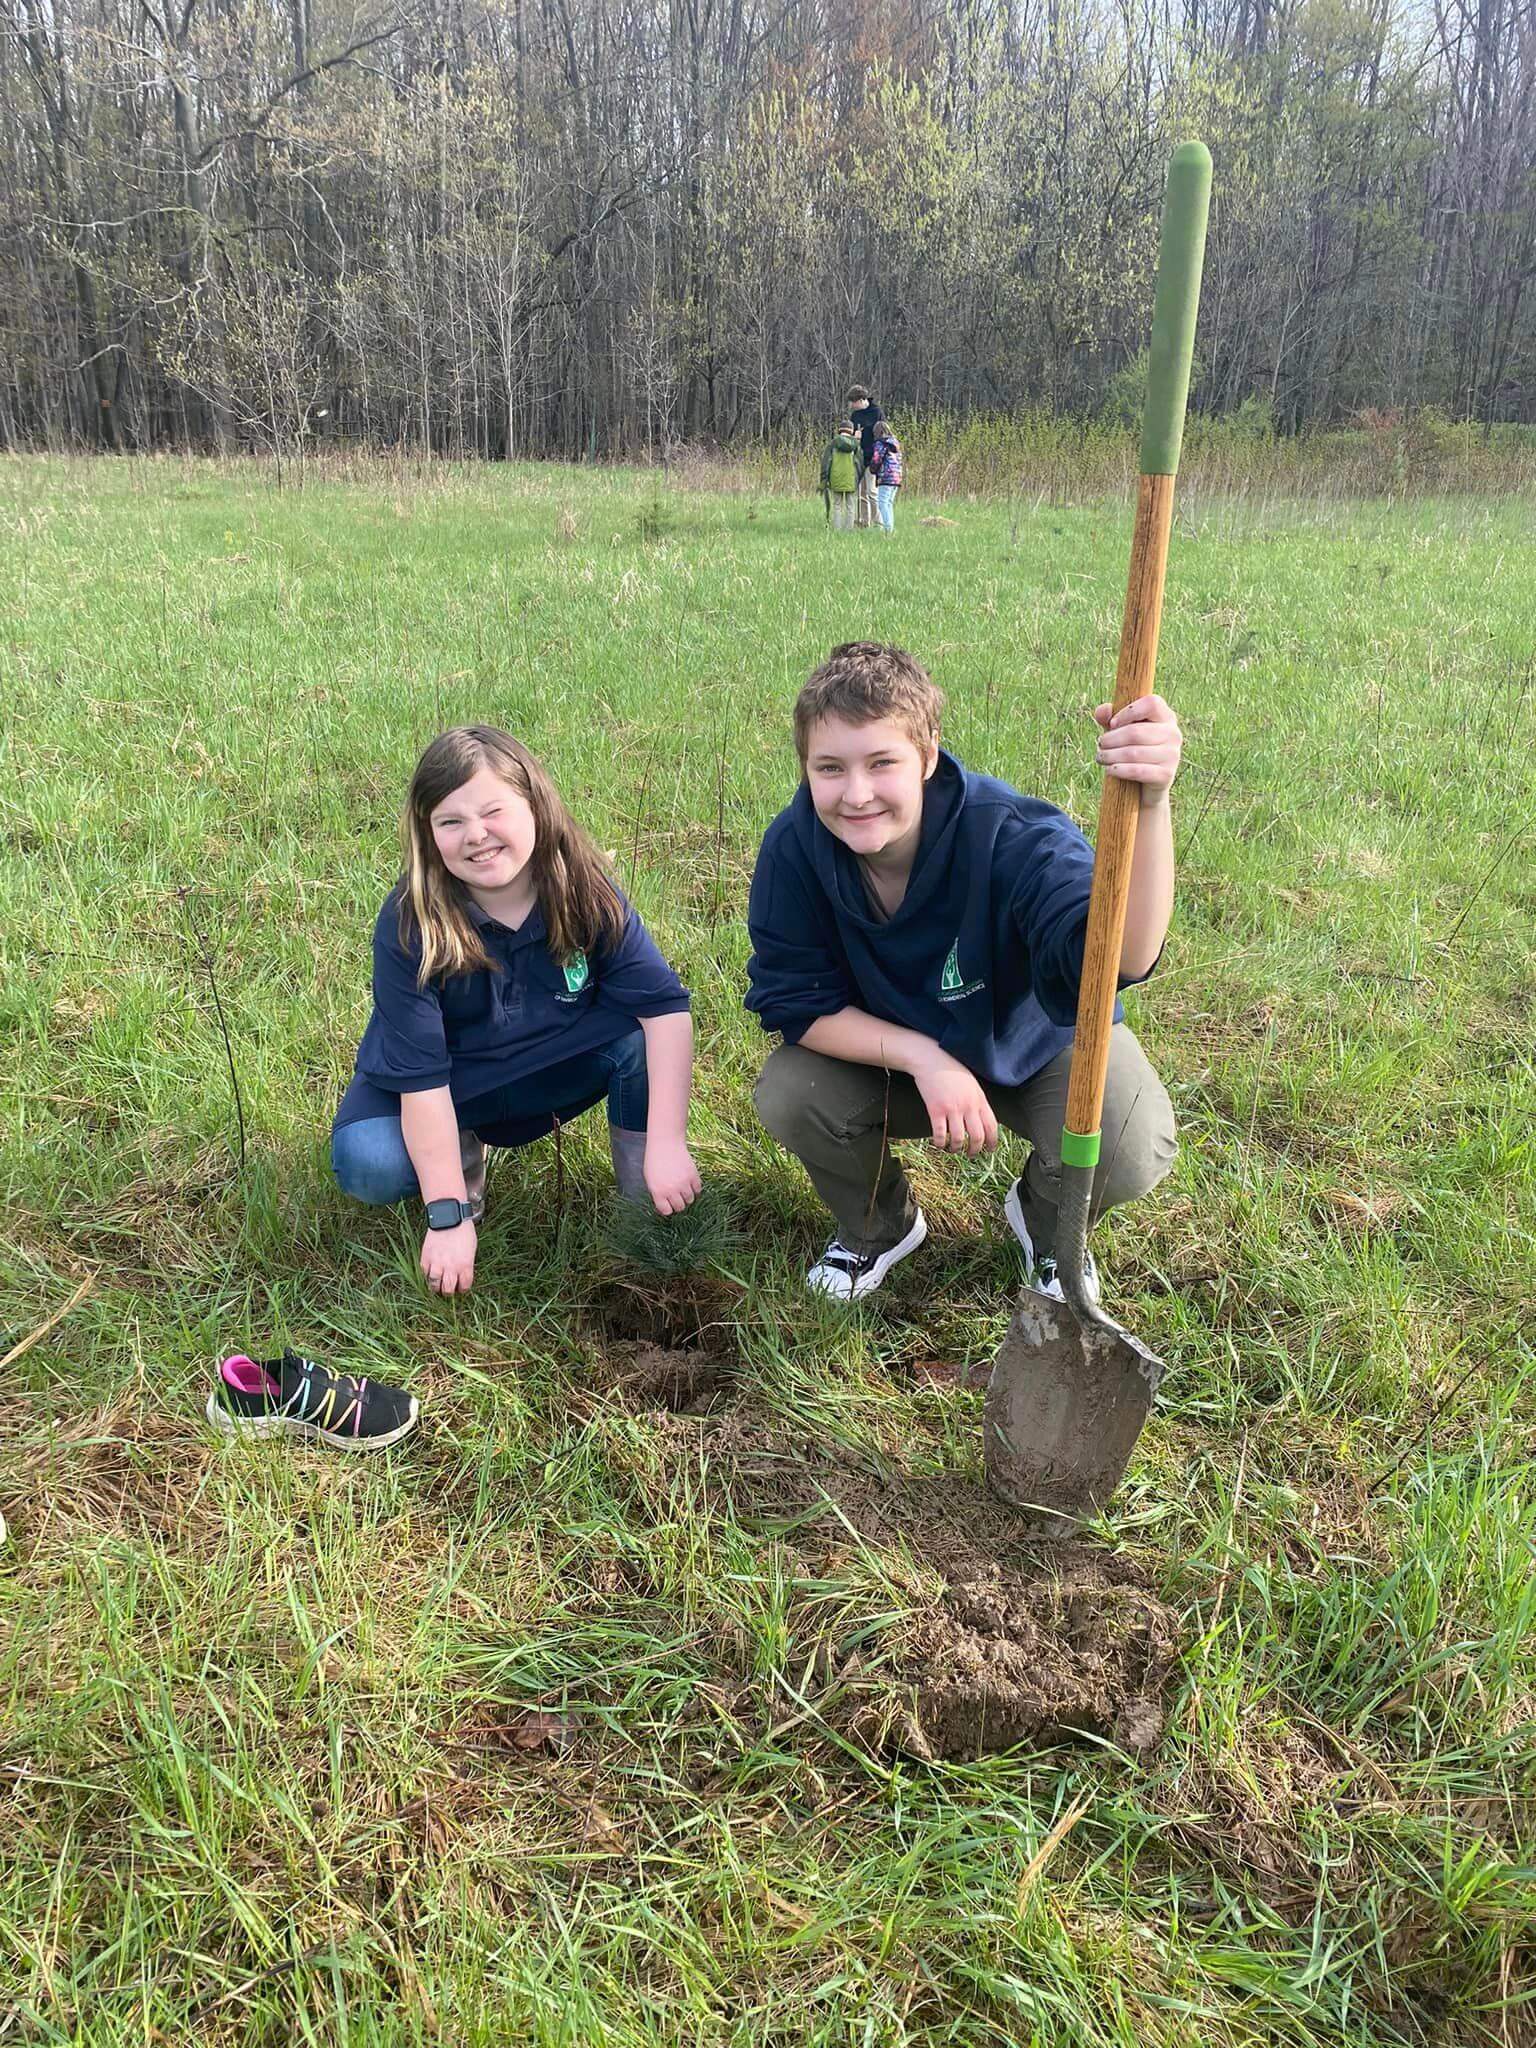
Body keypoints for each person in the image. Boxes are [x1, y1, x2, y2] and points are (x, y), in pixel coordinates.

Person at [746, 643, 1179, 1301]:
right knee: (791, 1091)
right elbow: (797, 1004)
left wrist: (1149, 806)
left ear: (928, 754)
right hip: (893, 1060)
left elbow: (1123, 957)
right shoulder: (795, 846)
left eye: (881, 762)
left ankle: (1047, 1225)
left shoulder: (1013, 834)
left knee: (1129, 1136)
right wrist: (926, 1059)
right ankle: (879, 1228)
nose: (855, 794)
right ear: (805, 767)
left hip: (1031, 1044)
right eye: (829, 768)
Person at [332, 725, 702, 1297]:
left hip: (549, 1063)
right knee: (368, 1161)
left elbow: (665, 1009)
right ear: (428, 836)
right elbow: (423, 1078)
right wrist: (447, 1215)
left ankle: (644, 1202)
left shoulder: (584, 885)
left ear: (535, 805)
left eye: (493, 811)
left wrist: (668, 1142)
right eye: (450, 822)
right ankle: (459, 1168)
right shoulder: (411, 921)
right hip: (444, 1086)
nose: (475, 836)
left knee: (639, 1034)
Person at [845, 386, 884, 529]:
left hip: (873, 458)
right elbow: (849, 434)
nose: (852, 405)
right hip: (859, 458)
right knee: (861, 493)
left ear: (862, 400)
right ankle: (863, 522)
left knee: (872, 492)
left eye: (853, 402)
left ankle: (879, 524)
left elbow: (883, 433)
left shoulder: (877, 412)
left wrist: (879, 456)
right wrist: (854, 437)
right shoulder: (855, 416)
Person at [820, 420, 864, 531]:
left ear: (840, 430)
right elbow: (860, 464)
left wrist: (824, 479)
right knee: (850, 505)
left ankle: (837, 529)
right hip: (851, 478)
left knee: (837, 505)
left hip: (835, 478)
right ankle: (849, 529)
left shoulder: (832, 444)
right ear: (851, 431)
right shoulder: (855, 445)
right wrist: (858, 478)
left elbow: (826, 463)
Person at [870, 424, 903, 534]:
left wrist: (872, 470)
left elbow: (876, 460)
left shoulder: (880, 444)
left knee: (882, 503)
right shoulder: (895, 443)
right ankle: (890, 528)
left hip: (886, 476)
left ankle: (888, 530)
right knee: (889, 503)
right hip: (896, 477)